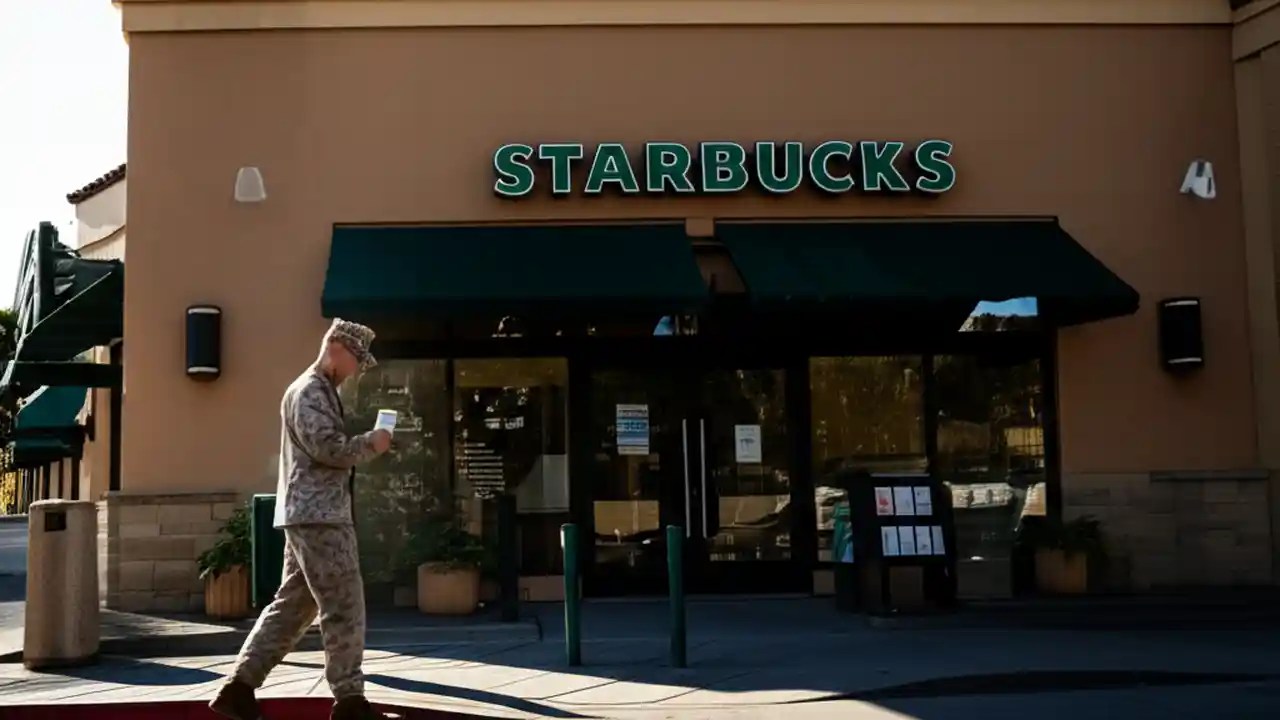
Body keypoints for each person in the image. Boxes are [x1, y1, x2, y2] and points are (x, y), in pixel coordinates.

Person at [210, 319, 393, 720]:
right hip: (320, 517)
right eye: (358, 360)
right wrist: (372, 443)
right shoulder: (310, 391)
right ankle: (350, 702)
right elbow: (328, 448)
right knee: (345, 603)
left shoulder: (317, 390)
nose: (358, 370)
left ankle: (238, 689)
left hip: (308, 514)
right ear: (337, 348)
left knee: (294, 607)